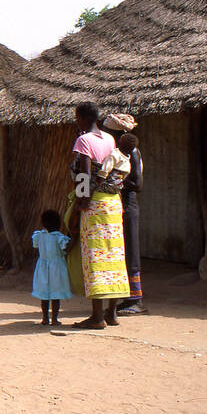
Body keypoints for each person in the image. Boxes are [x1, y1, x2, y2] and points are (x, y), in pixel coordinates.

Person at [68, 101, 129, 329]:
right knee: (113, 255)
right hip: (113, 203)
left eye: (77, 117)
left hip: (94, 204)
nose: (76, 121)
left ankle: (96, 317)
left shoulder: (84, 140)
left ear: (83, 117)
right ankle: (112, 313)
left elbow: (84, 175)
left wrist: (82, 202)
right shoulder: (110, 139)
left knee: (95, 257)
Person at [105, 115, 147, 316]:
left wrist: (116, 180)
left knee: (131, 250)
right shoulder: (120, 153)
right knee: (122, 250)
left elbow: (138, 184)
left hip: (128, 206)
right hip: (119, 206)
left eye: (110, 133)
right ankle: (127, 297)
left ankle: (136, 300)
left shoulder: (133, 153)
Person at [31, 208, 73, 325]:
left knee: (44, 294)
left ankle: (45, 318)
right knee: (56, 294)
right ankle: (54, 319)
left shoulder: (38, 236)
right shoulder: (59, 237)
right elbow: (66, 248)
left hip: (42, 267)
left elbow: (35, 246)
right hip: (57, 268)